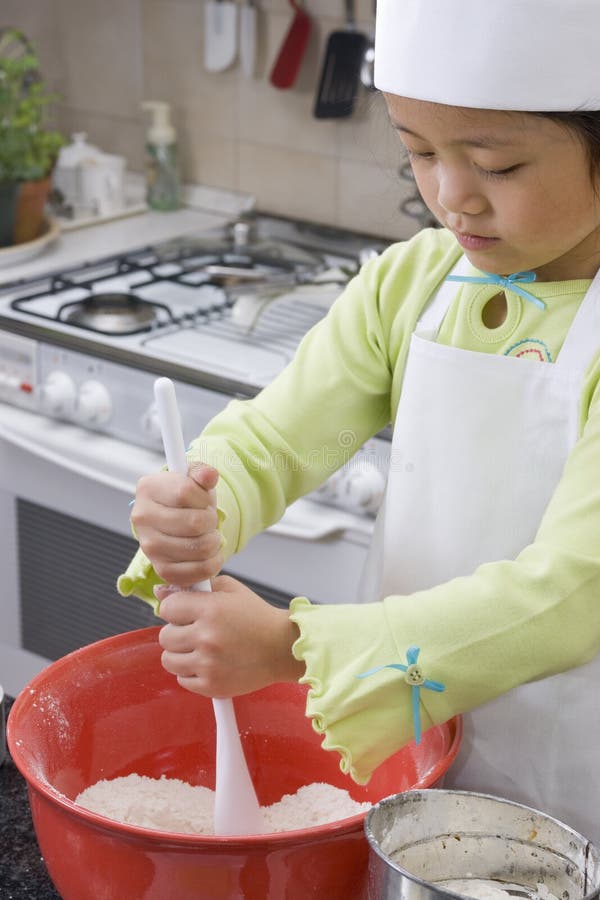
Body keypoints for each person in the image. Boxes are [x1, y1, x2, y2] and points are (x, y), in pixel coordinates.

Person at [119, 0, 600, 842]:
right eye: (418, 151)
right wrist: (203, 504)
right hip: (413, 759)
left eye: (499, 164)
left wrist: (294, 650)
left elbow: (573, 593)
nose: (453, 199)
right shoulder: (412, 284)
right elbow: (287, 437)